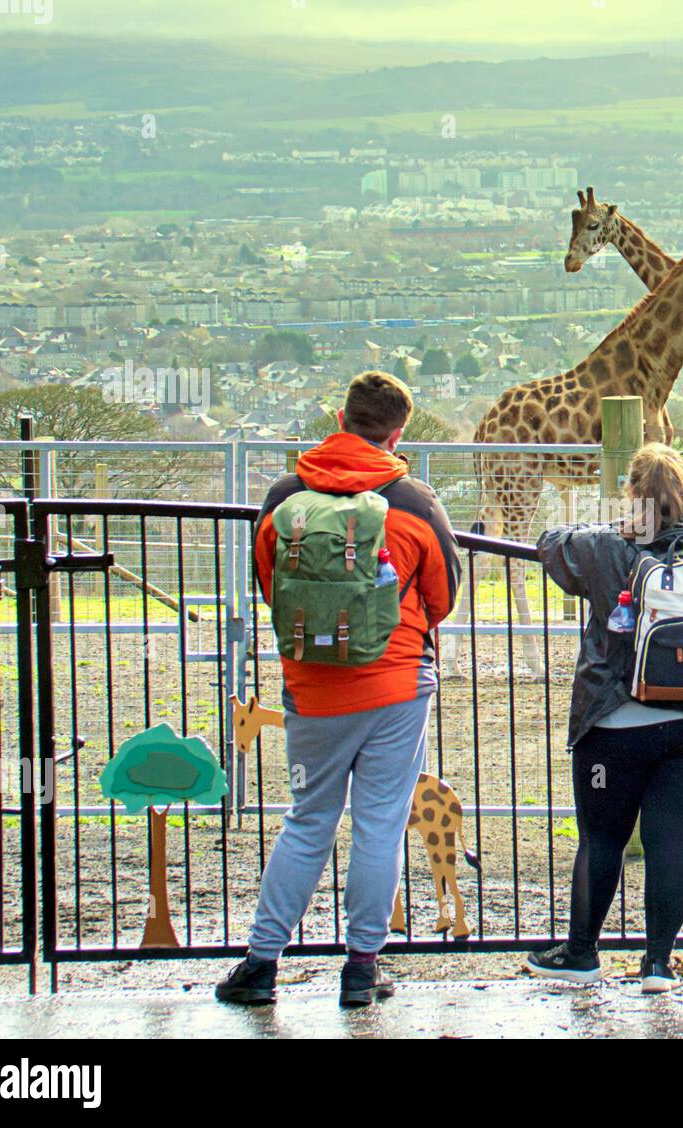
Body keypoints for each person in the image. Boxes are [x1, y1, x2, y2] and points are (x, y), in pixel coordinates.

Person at [216, 371, 461, 1008]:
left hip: (311, 690)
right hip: (397, 685)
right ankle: (361, 968)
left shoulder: (284, 496)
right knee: (378, 827)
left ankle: (262, 964)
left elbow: (273, 591)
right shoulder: (414, 502)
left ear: (341, 417)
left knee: (306, 821)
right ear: (398, 431)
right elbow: (443, 599)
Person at [528, 443, 683, 993]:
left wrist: (624, 524)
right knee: (671, 836)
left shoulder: (606, 546)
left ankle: (582, 952)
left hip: (614, 726)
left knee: (602, 837)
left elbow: (549, 545)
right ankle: (658, 965)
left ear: (633, 494)